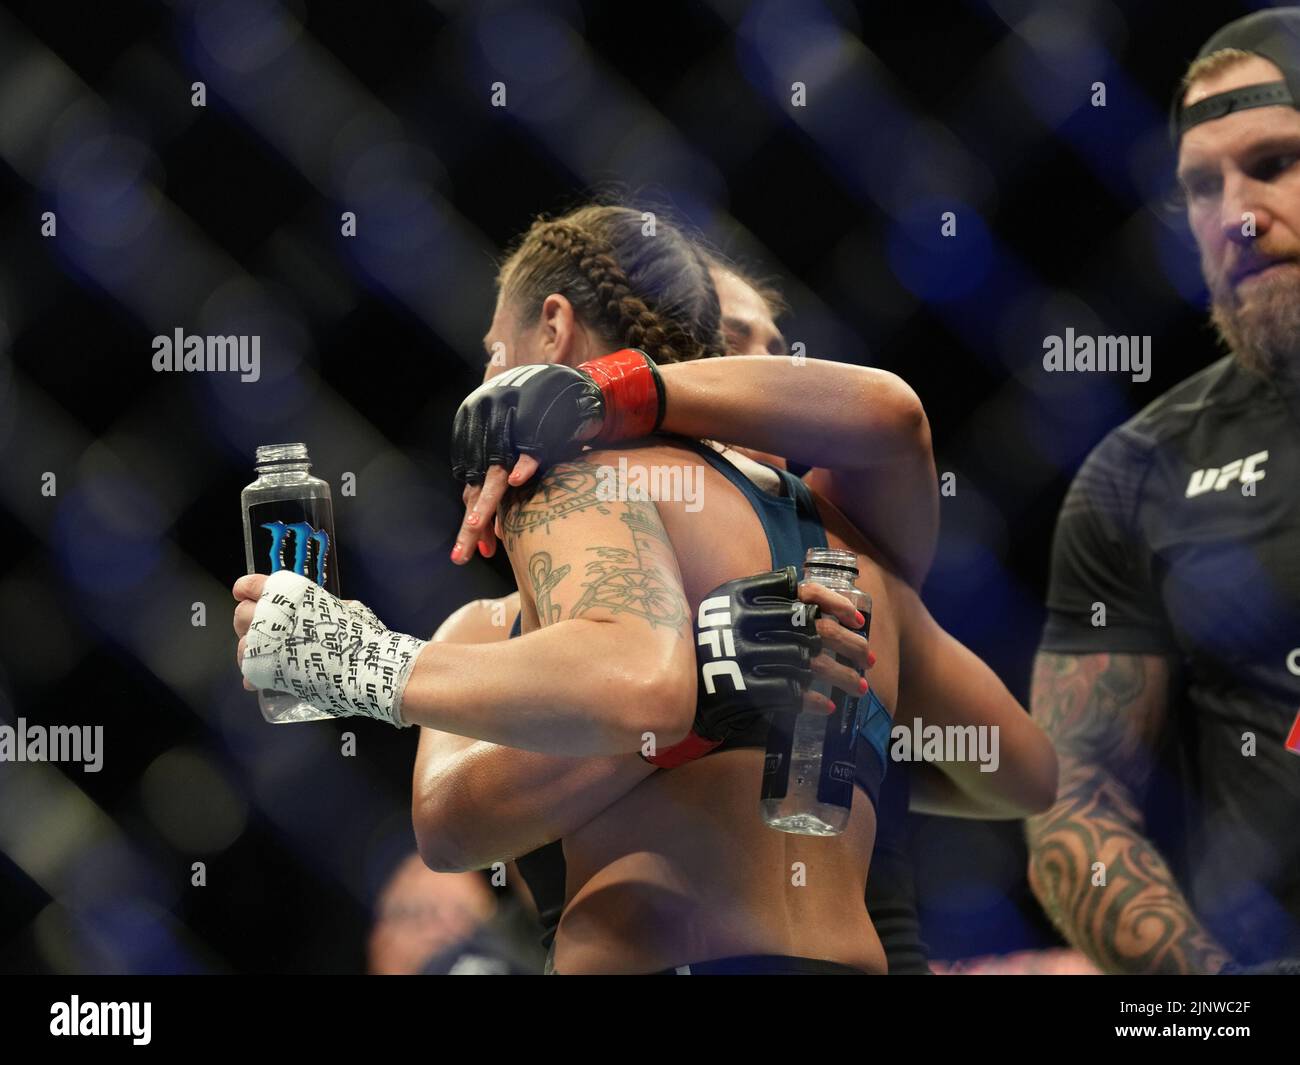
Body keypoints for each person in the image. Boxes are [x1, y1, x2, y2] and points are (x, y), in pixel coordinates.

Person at [407, 203, 1058, 972]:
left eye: (493, 351)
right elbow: (1028, 770)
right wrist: (730, 692)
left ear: (554, 329)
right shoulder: (855, 565)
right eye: (735, 342)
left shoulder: (580, 487)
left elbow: (890, 415)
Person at [1026, 8, 1300, 974]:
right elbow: (1075, 801)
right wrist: (1215, 996)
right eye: (1200, 186)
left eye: (1274, 163)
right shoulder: (1142, 472)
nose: (1236, 214)